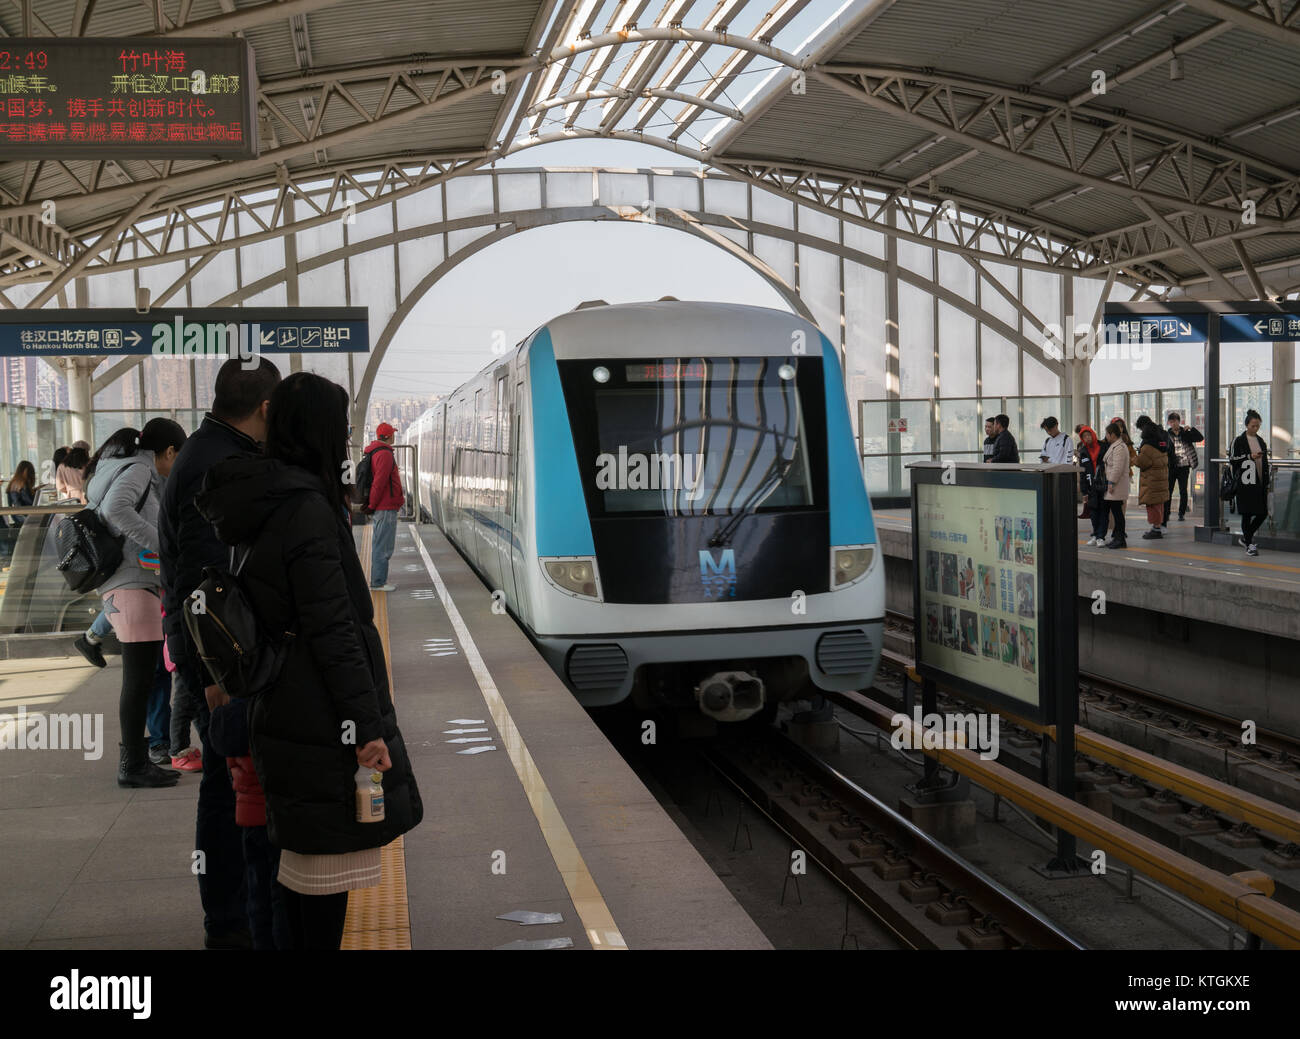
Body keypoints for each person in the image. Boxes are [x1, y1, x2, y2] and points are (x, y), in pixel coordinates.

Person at [195, 372, 423, 950]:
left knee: (298, 887)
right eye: (340, 427)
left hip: (285, 712)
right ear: (319, 431)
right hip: (318, 719)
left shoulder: (265, 501)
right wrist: (366, 728)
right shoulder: (307, 510)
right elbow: (334, 632)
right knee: (320, 892)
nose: (346, 440)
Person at [159, 356, 282, 951]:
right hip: (218, 665)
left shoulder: (201, 451)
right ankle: (228, 923)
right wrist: (212, 675)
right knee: (224, 786)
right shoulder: (218, 464)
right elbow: (204, 584)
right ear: (264, 408)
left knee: (226, 782)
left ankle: (233, 917)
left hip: (209, 658)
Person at [84, 420, 187, 788]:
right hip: (131, 583)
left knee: (139, 680)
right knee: (139, 680)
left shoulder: (120, 465)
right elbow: (116, 510)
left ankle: (137, 760)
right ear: (170, 451)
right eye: (179, 456)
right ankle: (132, 764)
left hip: (126, 584)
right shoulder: (140, 469)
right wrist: (164, 544)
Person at [364, 422, 404, 591]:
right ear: (388, 436)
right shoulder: (385, 454)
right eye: (393, 433)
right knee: (384, 546)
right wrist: (372, 504)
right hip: (385, 506)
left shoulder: (376, 452)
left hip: (383, 506)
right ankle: (378, 582)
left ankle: (378, 580)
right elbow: (379, 483)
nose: (395, 436)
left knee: (380, 544)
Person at [1231, 408, 1271, 556]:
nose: (1256, 428)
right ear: (1247, 425)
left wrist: (1266, 482)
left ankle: (1246, 537)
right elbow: (1233, 460)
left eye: (1258, 425)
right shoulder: (1239, 440)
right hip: (1245, 482)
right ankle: (1249, 544)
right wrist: (1249, 457)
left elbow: (1265, 463)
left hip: (1259, 482)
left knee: (1262, 513)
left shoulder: (1261, 441)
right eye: (1253, 425)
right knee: (1247, 514)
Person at [1133, 415, 1171, 539]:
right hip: (1160, 478)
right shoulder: (1161, 441)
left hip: (1152, 479)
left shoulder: (1147, 446)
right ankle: (1158, 527)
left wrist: (1134, 459)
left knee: (1152, 504)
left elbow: (1142, 462)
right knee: (1158, 504)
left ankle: (1156, 529)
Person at [1164, 411, 1203, 524]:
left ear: (1179, 421)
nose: (1173, 424)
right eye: (1171, 422)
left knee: (1183, 490)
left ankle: (1181, 513)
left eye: (1175, 421)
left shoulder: (1185, 432)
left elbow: (1200, 438)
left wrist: (1191, 429)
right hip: (1172, 466)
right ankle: (1167, 513)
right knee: (1169, 490)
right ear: (1169, 423)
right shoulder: (1167, 435)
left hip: (1184, 466)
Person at [1100, 422, 1130, 549]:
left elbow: (1117, 468)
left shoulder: (1120, 448)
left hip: (1116, 485)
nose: (1106, 436)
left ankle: (1120, 539)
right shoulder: (1115, 446)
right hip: (1114, 485)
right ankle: (1117, 537)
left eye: (1107, 434)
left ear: (1112, 434)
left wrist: (1111, 482)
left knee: (1118, 513)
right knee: (1116, 512)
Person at [1077, 426, 1107, 545]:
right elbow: (1083, 472)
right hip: (1091, 487)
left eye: (1089, 435)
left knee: (1103, 511)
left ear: (1093, 435)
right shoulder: (1083, 451)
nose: (1087, 438)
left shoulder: (1103, 447)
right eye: (1084, 437)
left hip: (1103, 484)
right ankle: (1095, 534)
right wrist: (1084, 491)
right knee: (1093, 512)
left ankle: (1101, 537)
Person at [6, 460, 36, 525]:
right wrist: (35, 494)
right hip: (25, 517)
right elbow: (30, 501)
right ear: (26, 471)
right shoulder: (22, 483)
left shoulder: (13, 482)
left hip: (16, 517)